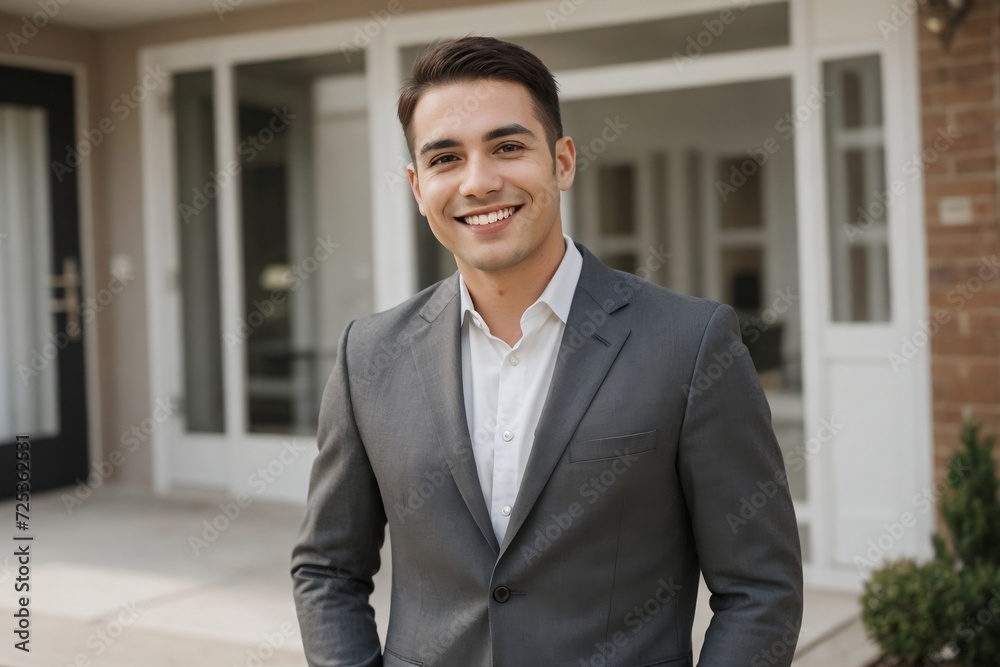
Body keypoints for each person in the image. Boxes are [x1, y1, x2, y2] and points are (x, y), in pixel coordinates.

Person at [292, 35, 803, 667]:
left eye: (507, 147)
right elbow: (327, 570)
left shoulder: (692, 345)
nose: (479, 182)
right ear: (418, 186)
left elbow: (760, 588)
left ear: (562, 162)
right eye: (446, 158)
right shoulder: (366, 355)